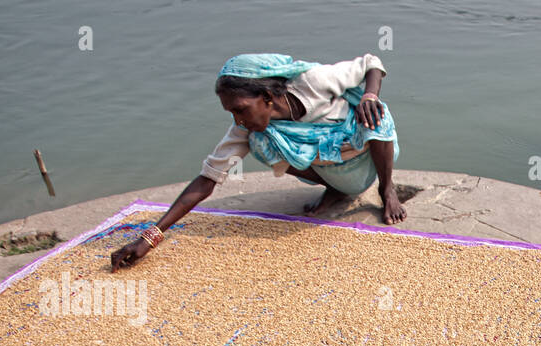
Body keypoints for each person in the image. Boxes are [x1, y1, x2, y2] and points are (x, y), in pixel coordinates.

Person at [111, 52, 403, 271]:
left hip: (364, 156)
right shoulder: (246, 129)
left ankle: (386, 189)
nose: (238, 119)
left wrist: (369, 94)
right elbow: (207, 179)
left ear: (266, 97)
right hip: (336, 171)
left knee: (376, 113)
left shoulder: (314, 83)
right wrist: (150, 236)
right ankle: (335, 188)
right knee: (261, 143)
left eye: (240, 109)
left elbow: (371, 62)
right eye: (231, 113)